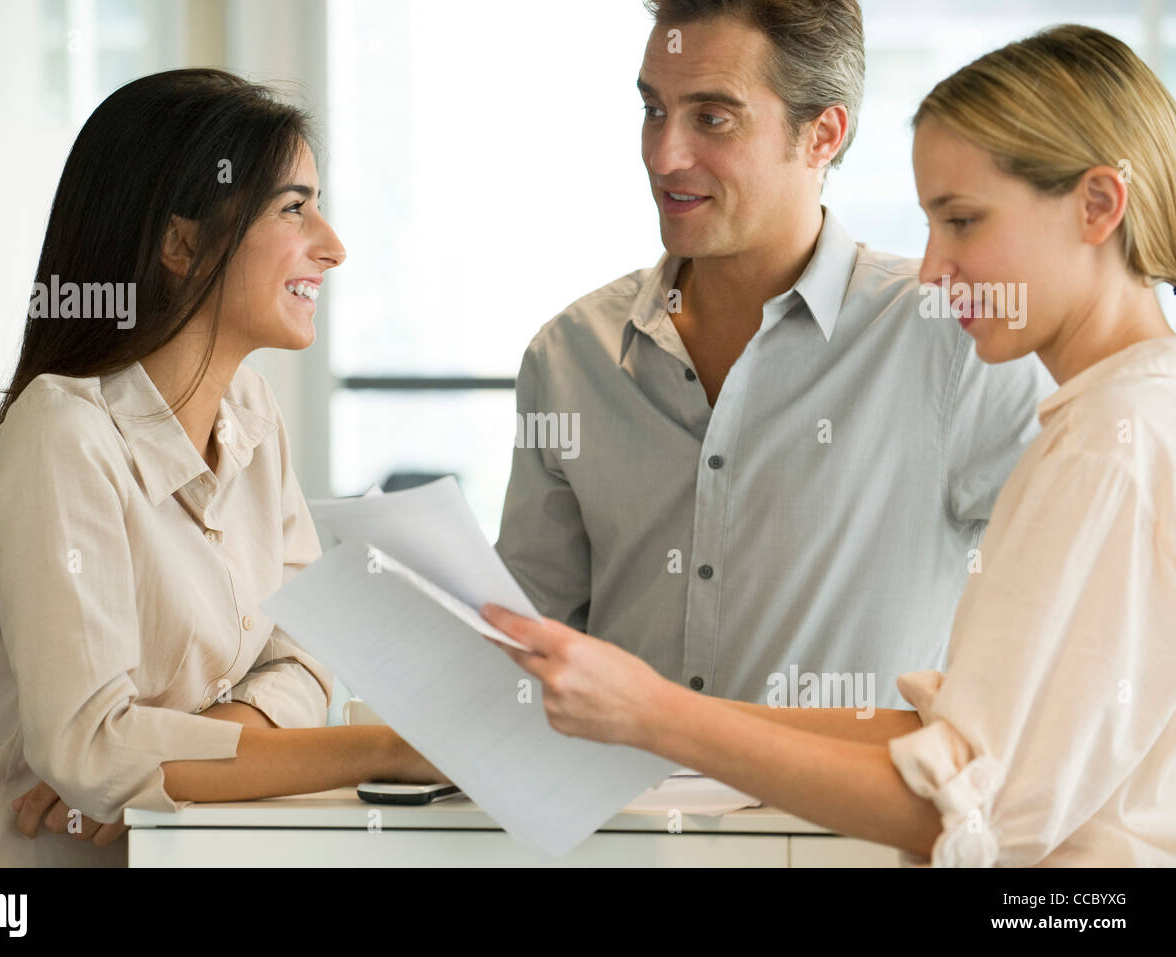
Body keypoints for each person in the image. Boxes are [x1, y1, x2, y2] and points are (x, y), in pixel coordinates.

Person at [484, 23, 1176, 867]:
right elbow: (958, 742)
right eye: (652, 111)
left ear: (1099, 206)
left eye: (962, 220)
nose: (933, 269)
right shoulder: (1106, 423)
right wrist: (649, 710)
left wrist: (656, 716)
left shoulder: (1105, 442)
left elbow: (967, 809)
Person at [0, 69, 442, 867]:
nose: (332, 245)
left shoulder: (253, 417)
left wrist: (174, 765)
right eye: (294, 208)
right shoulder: (65, 436)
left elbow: (307, 659)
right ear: (182, 241)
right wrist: (387, 750)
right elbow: (94, 748)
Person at [495, 0, 1054, 711]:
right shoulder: (569, 355)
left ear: (821, 135)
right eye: (653, 110)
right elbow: (524, 652)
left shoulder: (956, 344)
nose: (665, 156)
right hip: (616, 821)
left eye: (713, 117)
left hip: (846, 822)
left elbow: (1076, 626)